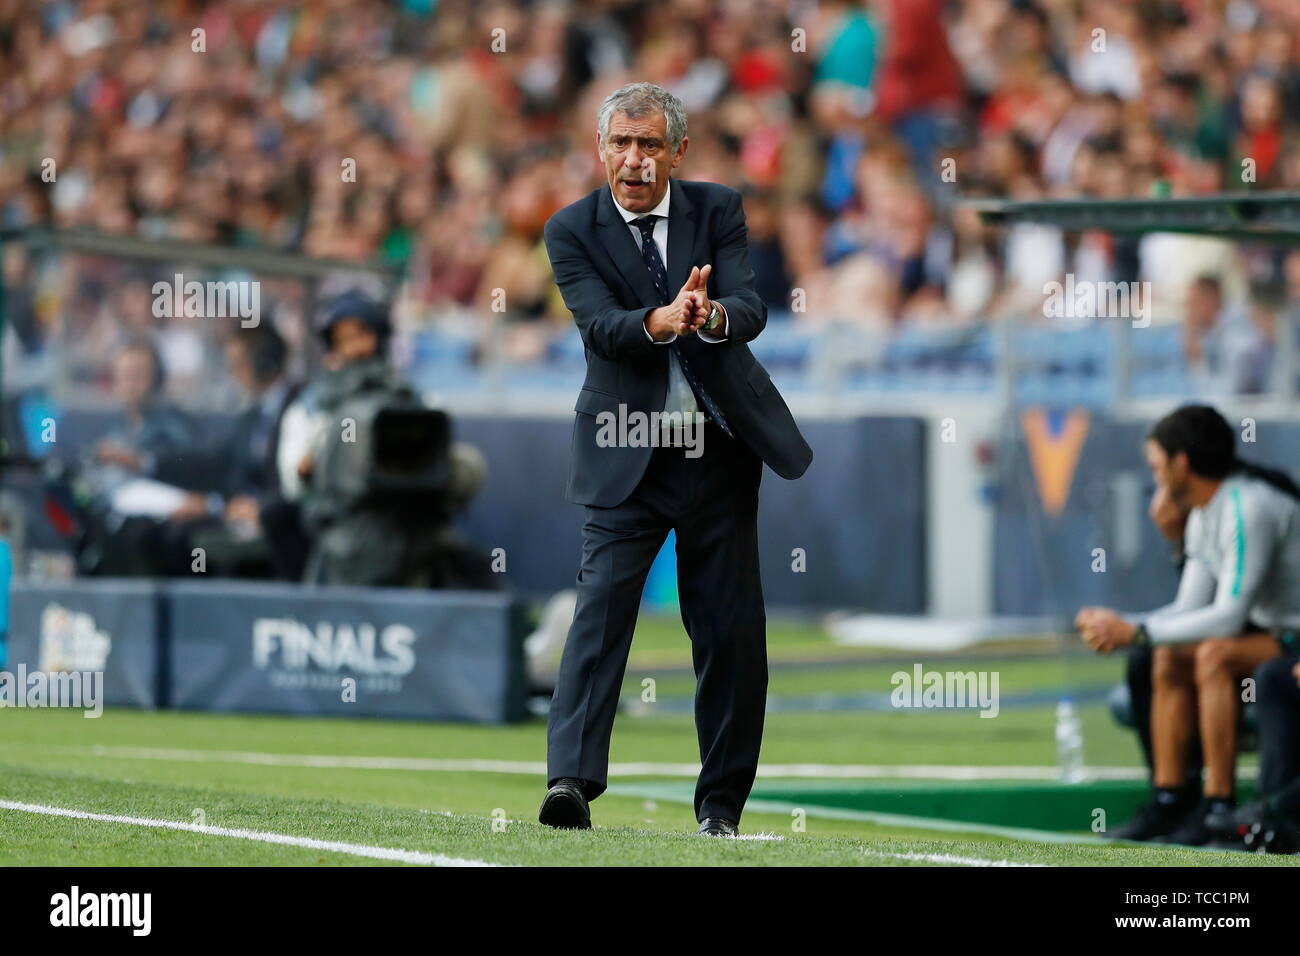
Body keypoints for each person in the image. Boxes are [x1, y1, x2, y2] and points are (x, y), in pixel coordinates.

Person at [537, 83, 812, 837]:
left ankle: (720, 807)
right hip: (625, 457)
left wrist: (713, 313)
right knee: (598, 620)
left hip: (718, 454)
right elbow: (599, 328)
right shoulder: (569, 230)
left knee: (729, 636)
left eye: (650, 144)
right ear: (601, 149)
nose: (634, 158)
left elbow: (751, 309)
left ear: (677, 152)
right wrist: (660, 320)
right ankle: (570, 785)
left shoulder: (718, 209)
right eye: (622, 143)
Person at [1076, 404, 1300, 845]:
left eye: (1157, 466)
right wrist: (1124, 627)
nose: (1154, 477)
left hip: (1291, 639)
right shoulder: (1205, 510)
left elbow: (1228, 616)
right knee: (1166, 655)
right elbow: (1189, 607)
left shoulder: (1247, 505)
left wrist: (1133, 630)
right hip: (1273, 637)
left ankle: (1219, 805)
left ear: (1181, 463)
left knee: (1214, 652)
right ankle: (1171, 799)